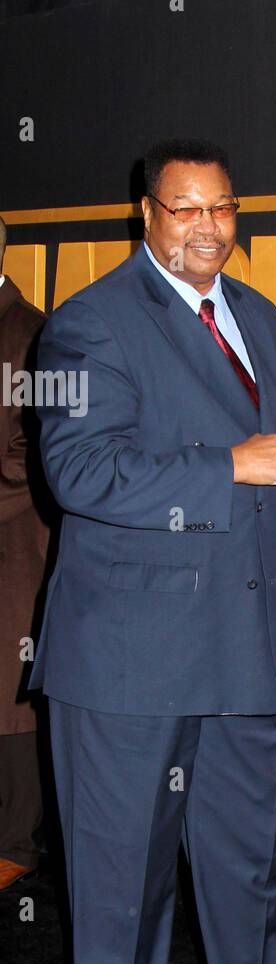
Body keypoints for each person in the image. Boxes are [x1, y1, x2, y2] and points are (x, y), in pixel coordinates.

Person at [29, 138, 276, 964]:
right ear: (146, 215)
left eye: (220, 208)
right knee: (118, 864)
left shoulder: (256, 315)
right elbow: (80, 475)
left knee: (246, 859)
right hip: (130, 654)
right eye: (184, 210)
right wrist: (226, 468)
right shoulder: (88, 324)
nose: (207, 228)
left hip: (247, 639)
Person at [0, 215, 53, 892]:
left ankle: (17, 841)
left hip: (14, 539)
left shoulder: (31, 331)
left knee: (10, 692)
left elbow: (33, 452)